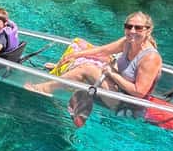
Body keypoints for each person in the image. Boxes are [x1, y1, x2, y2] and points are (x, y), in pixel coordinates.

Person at [27, 11, 161, 99]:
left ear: (148, 30)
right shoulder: (127, 42)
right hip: (117, 85)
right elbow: (102, 51)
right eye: (128, 26)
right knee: (80, 45)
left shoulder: (150, 58)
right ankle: (63, 71)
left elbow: (139, 92)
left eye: (138, 28)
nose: (132, 31)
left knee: (87, 68)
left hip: (126, 101)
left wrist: (112, 74)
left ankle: (45, 88)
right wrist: (76, 55)